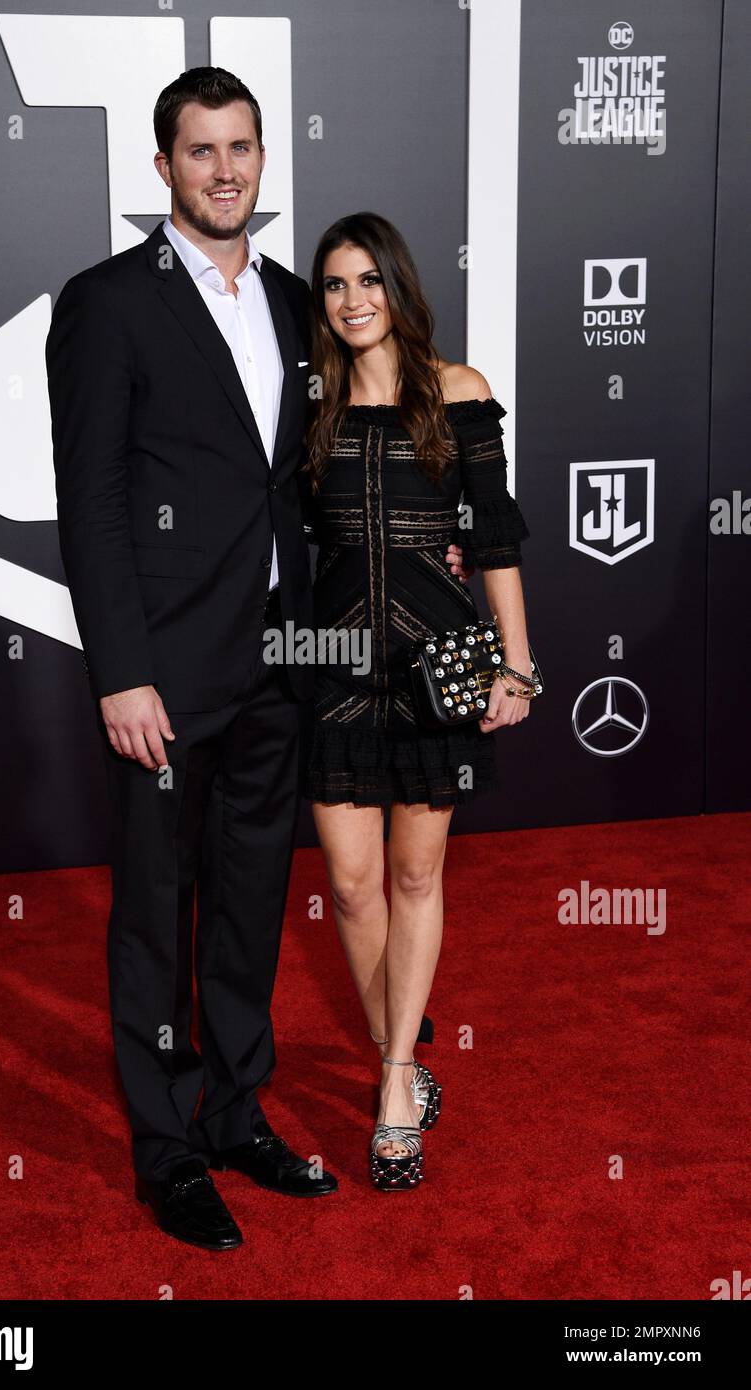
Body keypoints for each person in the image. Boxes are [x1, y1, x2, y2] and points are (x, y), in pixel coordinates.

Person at [45, 67, 338, 1252]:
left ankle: (234, 1114)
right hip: (163, 673)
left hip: (279, 658)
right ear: (160, 166)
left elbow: (310, 480)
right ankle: (166, 1150)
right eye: (201, 150)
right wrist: (119, 668)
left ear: (263, 159)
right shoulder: (108, 301)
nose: (226, 171)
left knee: (251, 906)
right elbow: (95, 499)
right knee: (157, 919)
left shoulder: (289, 299)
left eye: (243, 148)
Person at [299, 212, 533, 1190]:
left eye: (368, 281)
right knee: (349, 884)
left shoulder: (457, 393)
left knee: (411, 878)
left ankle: (395, 1077)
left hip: (438, 663)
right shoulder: (306, 407)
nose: (353, 302)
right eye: (335, 286)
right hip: (335, 661)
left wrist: (514, 665)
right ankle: (400, 1033)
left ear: (398, 285)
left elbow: (494, 544)